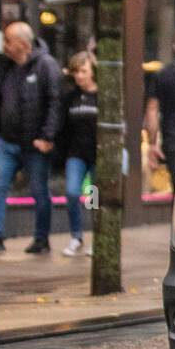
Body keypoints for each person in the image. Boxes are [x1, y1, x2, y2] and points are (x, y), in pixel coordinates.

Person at [0, 21, 64, 253]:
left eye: (8, 41)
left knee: (38, 190)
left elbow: (55, 103)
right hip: (7, 140)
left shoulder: (46, 66)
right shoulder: (7, 67)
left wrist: (47, 136)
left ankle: (41, 239)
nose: (4, 46)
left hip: (35, 143)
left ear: (23, 44)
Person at [56, 51, 97, 257]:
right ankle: (76, 236)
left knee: (94, 199)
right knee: (72, 192)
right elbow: (62, 125)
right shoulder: (70, 97)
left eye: (84, 71)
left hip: (97, 157)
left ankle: (97, 238)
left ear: (93, 72)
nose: (79, 76)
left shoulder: (102, 96)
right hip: (76, 154)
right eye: (76, 72)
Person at [146, 30, 175, 191]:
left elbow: (152, 110)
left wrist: (152, 143)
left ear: (174, 46)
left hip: (174, 142)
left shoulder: (163, 75)